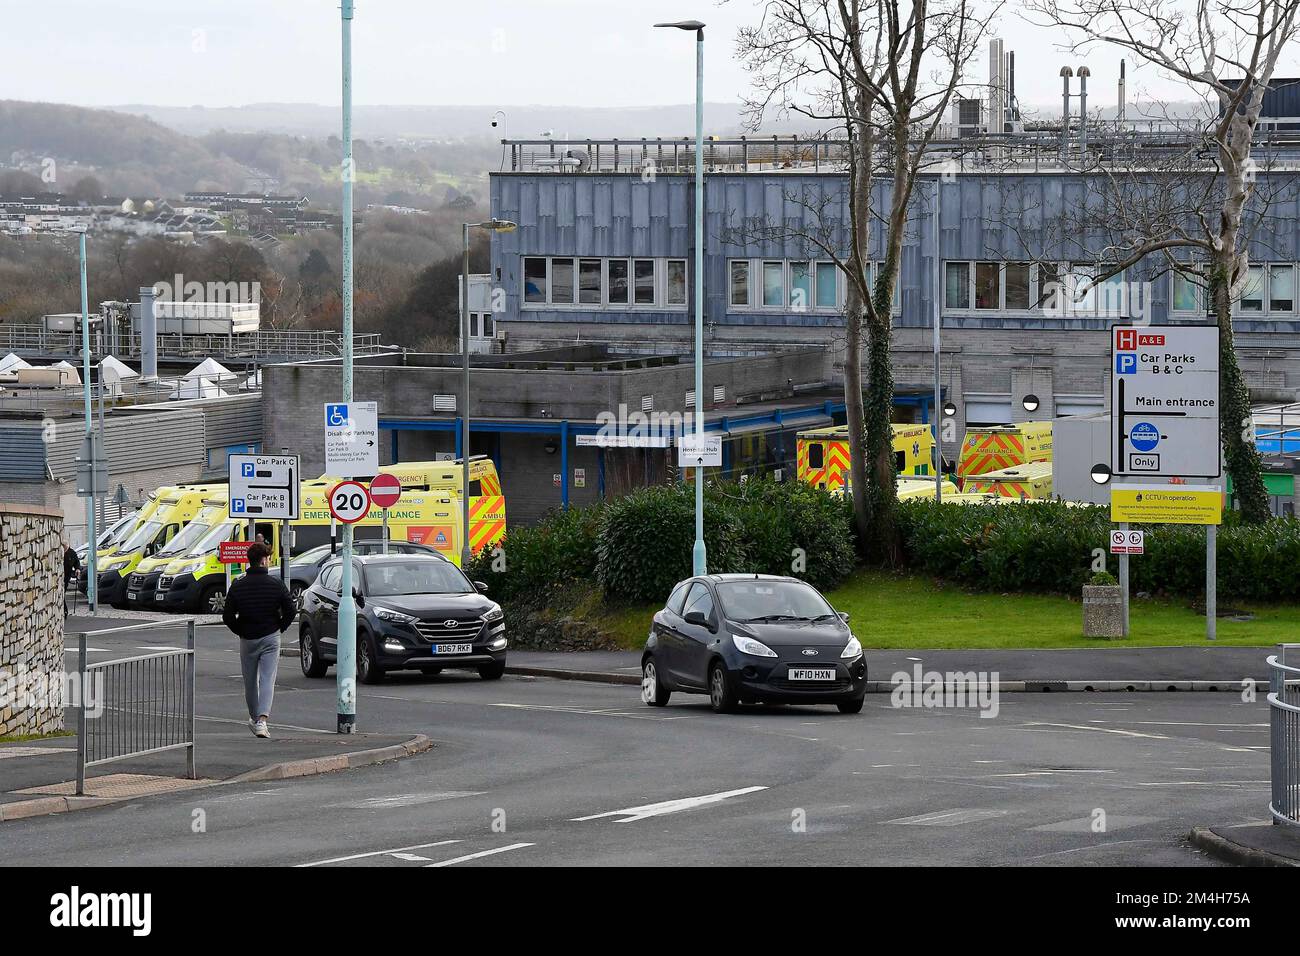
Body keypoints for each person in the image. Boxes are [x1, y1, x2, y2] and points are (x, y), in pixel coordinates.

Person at [221, 542, 295, 739]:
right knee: (267, 678)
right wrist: (280, 626)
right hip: (270, 635)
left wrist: (240, 630)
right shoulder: (276, 584)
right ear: (264, 560)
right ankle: (262, 720)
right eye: (268, 558)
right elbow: (290, 610)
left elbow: (227, 616)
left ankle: (255, 719)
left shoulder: (238, 585)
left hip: (248, 637)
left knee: (250, 681)